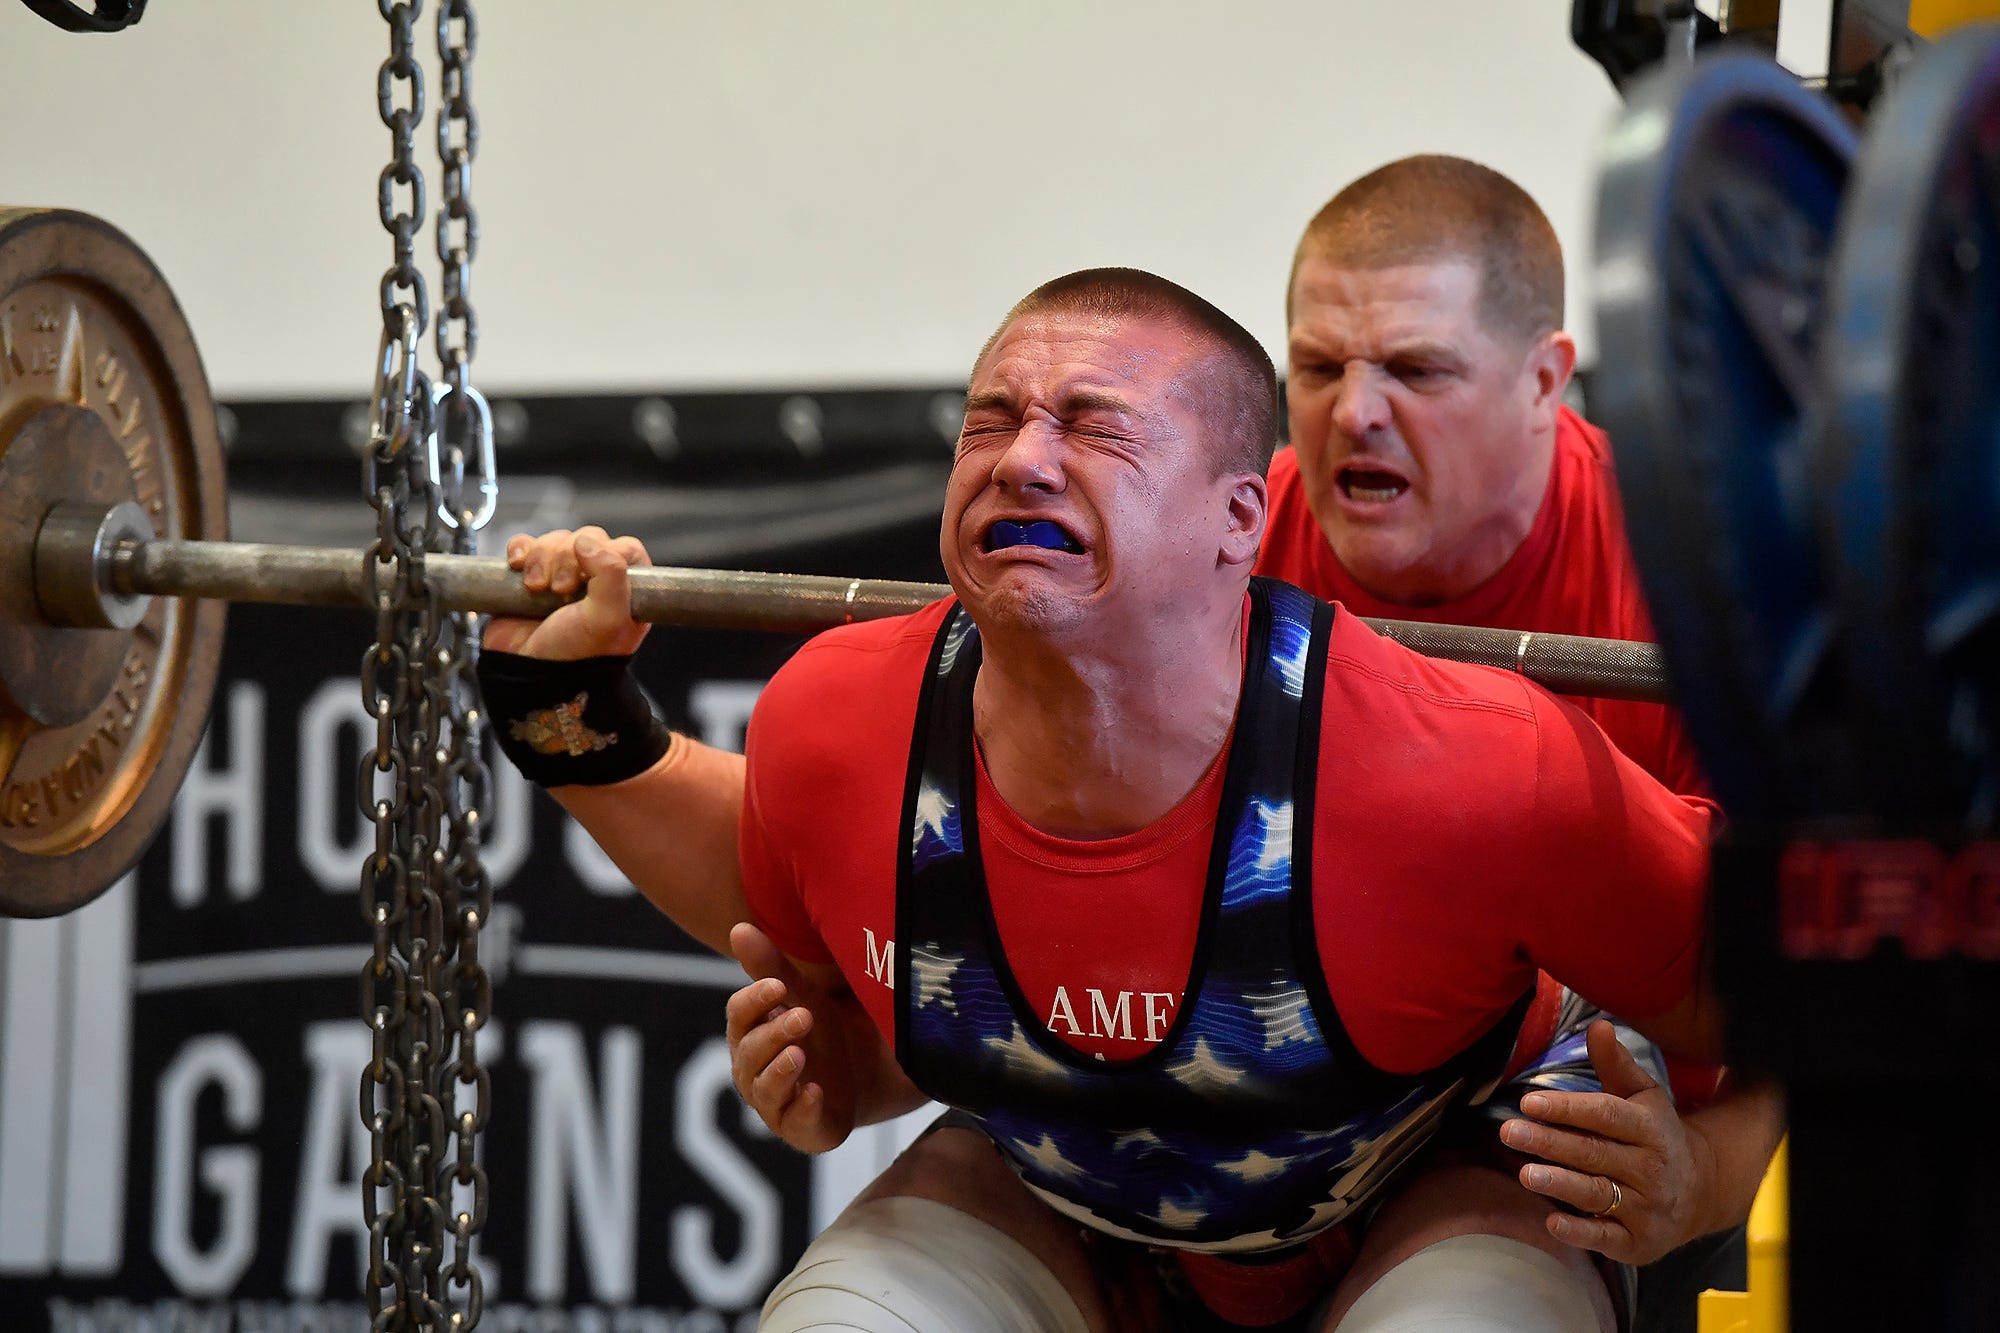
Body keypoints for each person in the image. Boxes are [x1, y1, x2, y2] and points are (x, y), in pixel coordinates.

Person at [539, 266, 1723, 1331]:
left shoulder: (1474, 765)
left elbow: (1801, 1008)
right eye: (987, 421)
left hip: (1441, 1169)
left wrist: (1697, 1186)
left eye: (1094, 429)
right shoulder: (837, 722)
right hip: (1070, 1188)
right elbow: (779, 895)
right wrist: (562, 713)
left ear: (1238, 519)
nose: (1021, 458)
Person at [1257, 155, 1781, 1330]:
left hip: (1553, 1154)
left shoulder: (1712, 585)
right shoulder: (1218, 555)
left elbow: (1810, 999)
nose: (1354, 411)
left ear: (1548, 379)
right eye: (1317, 366)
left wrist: (1700, 1180)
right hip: (1261, 1132)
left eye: (1413, 368)